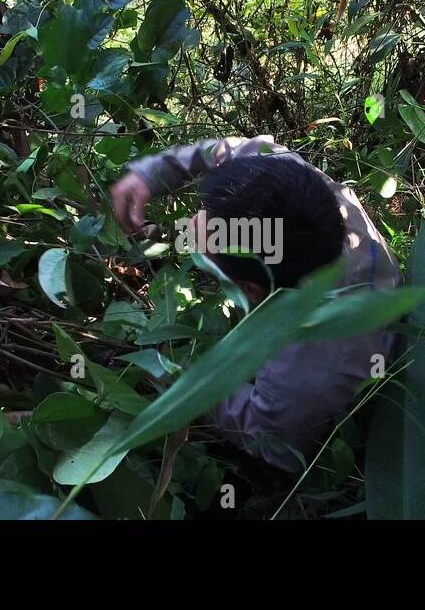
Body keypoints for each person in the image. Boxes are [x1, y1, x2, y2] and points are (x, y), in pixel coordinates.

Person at [111, 136, 402, 473]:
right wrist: (153, 172)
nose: (193, 222)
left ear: (251, 290)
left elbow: (267, 438)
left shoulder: (308, 371)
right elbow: (229, 149)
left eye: (205, 239)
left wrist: (183, 372)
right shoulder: (289, 184)